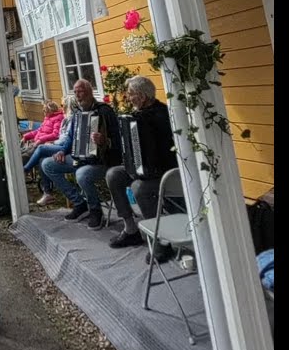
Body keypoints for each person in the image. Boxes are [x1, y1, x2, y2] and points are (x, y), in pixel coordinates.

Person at [105, 76, 180, 252]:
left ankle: (160, 240)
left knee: (139, 187)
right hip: (143, 170)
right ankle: (131, 229)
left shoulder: (163, 115)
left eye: (130, 94)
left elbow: (166, 153)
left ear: (142, 96)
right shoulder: (136, 117)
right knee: (114, 174)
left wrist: (145, 168)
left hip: (165, 173)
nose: (128, 98)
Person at [41, 79, 122, 229]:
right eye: (75, 92)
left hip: (102, 161)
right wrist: (62, 151)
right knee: (48, 165)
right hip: (80, 158)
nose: (78, 95)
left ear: (90, 92)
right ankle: (80, 203)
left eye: (81, 91)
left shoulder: (104, 111)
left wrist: (105, 140)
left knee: (82, 174)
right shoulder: (77, 113)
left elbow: (119, 139)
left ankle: (95, 210)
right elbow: (71, 138)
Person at [22, 101, 67, 207]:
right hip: (37, 144)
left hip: (46, 145)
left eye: (45, 110)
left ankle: (24, 171)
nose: (43, 112)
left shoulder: (58, 118)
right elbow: (39, 130)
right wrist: (27, 136)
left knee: (26, 157)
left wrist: (40, 140)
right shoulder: (47, 118)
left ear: (51, 110)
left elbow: (56, 134)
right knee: (26, 155)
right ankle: (25, 173)